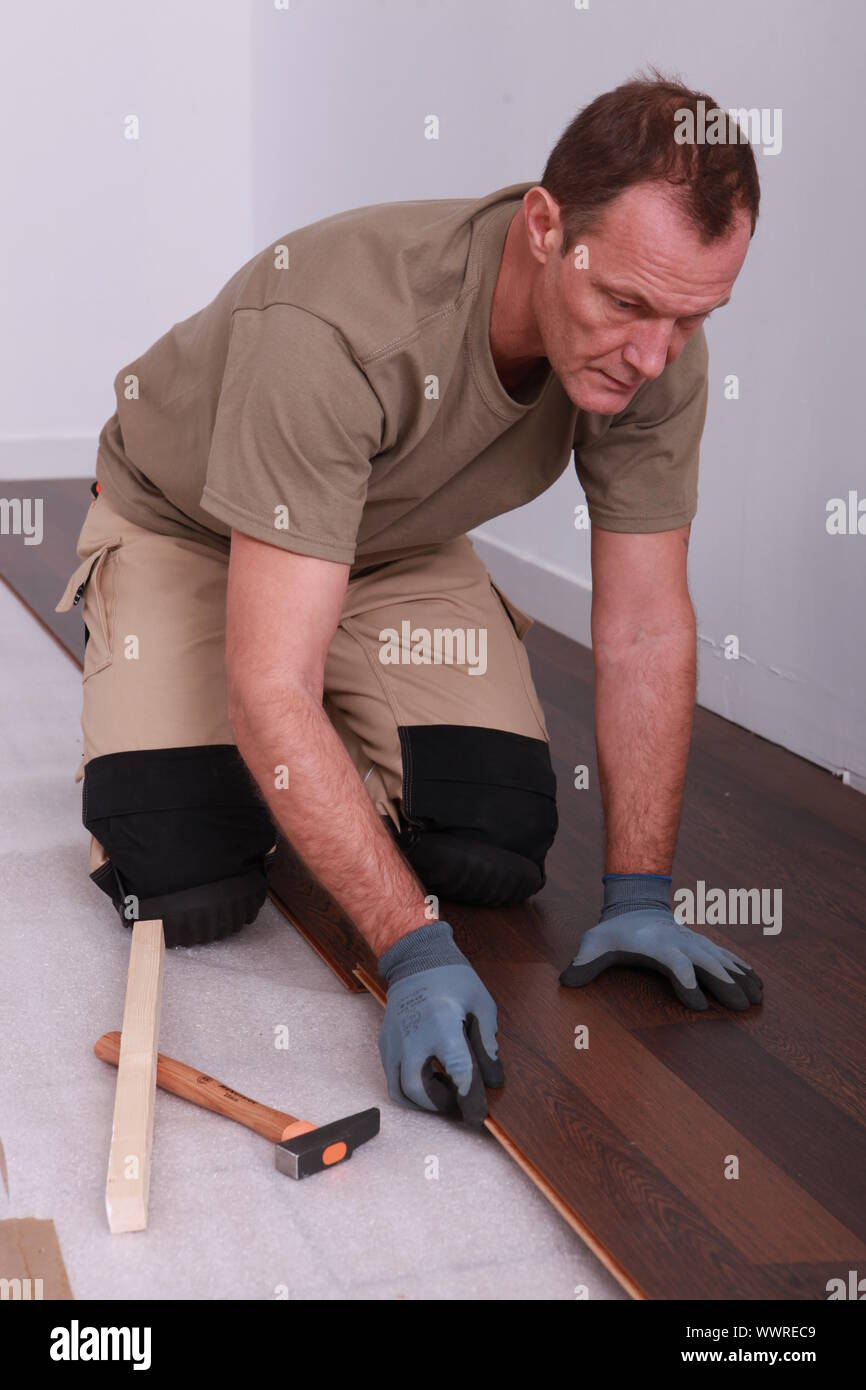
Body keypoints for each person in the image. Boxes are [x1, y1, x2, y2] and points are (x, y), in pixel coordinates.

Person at [56, 71, 763, 1127]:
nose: (653, 354)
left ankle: (335, 701)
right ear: (540, 226)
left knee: (490, 840)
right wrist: (410, 948)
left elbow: (645, 623)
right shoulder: (333, 332)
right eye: (623, 303)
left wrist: (638, 892)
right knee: (184, 875)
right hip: (192, 524)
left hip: (390, 542)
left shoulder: (655, 346)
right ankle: (192, 718)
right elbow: (268, 683)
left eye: (688, 316)